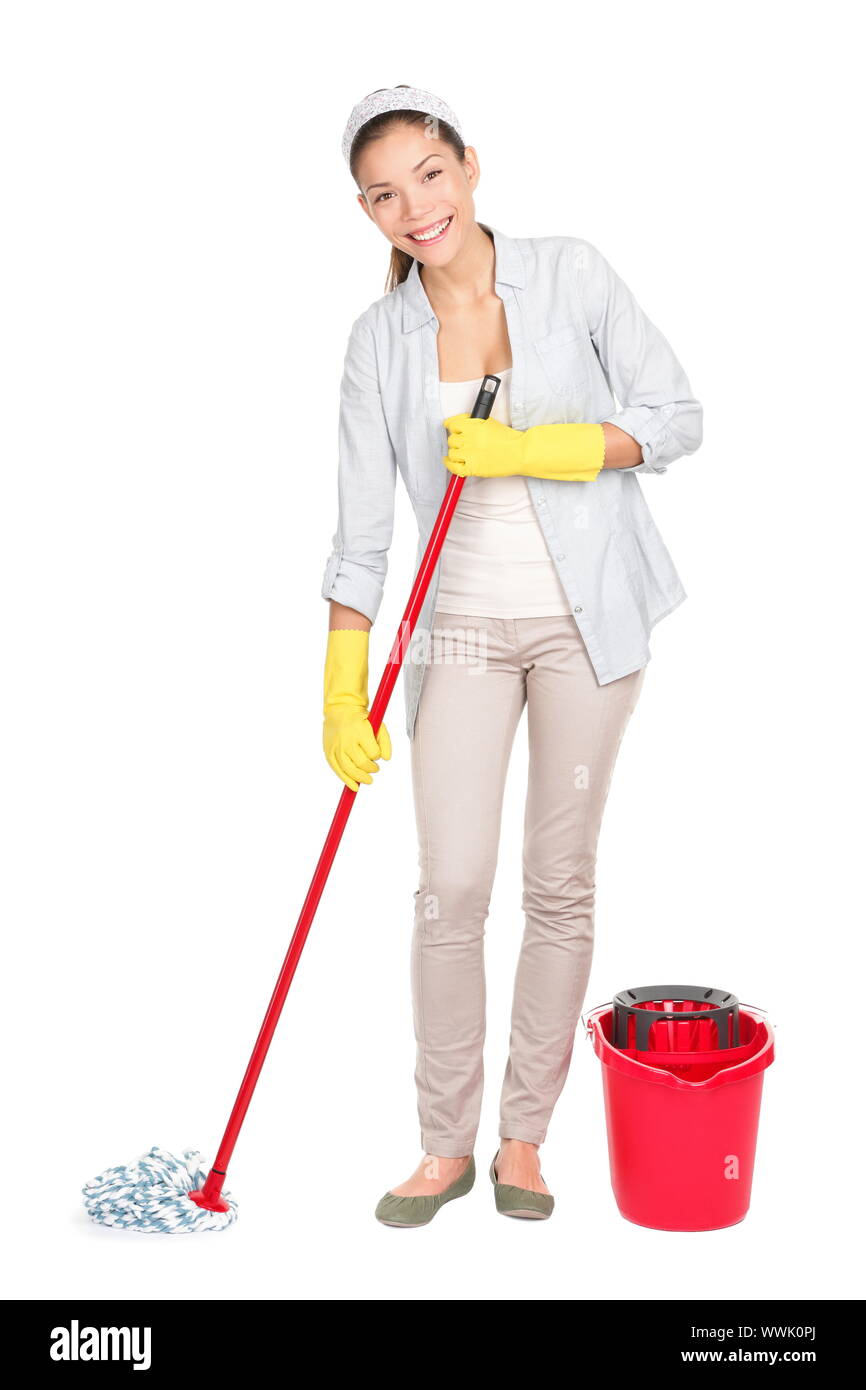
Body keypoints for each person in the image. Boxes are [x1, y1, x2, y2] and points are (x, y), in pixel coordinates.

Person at [321, 85, 703, 1225]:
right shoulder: (377, 343)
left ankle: (522, 1140)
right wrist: (341, 688)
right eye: (384, 194)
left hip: (589, 630)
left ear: (469, 167)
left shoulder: (571, 275)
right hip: (458, 635)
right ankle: (442, 1146)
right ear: (367, 212)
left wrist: (536, 447)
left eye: (428, 175)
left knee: (556, 883)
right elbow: (359, 536)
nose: (413, 206)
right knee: (450, 889)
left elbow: (675, 418)